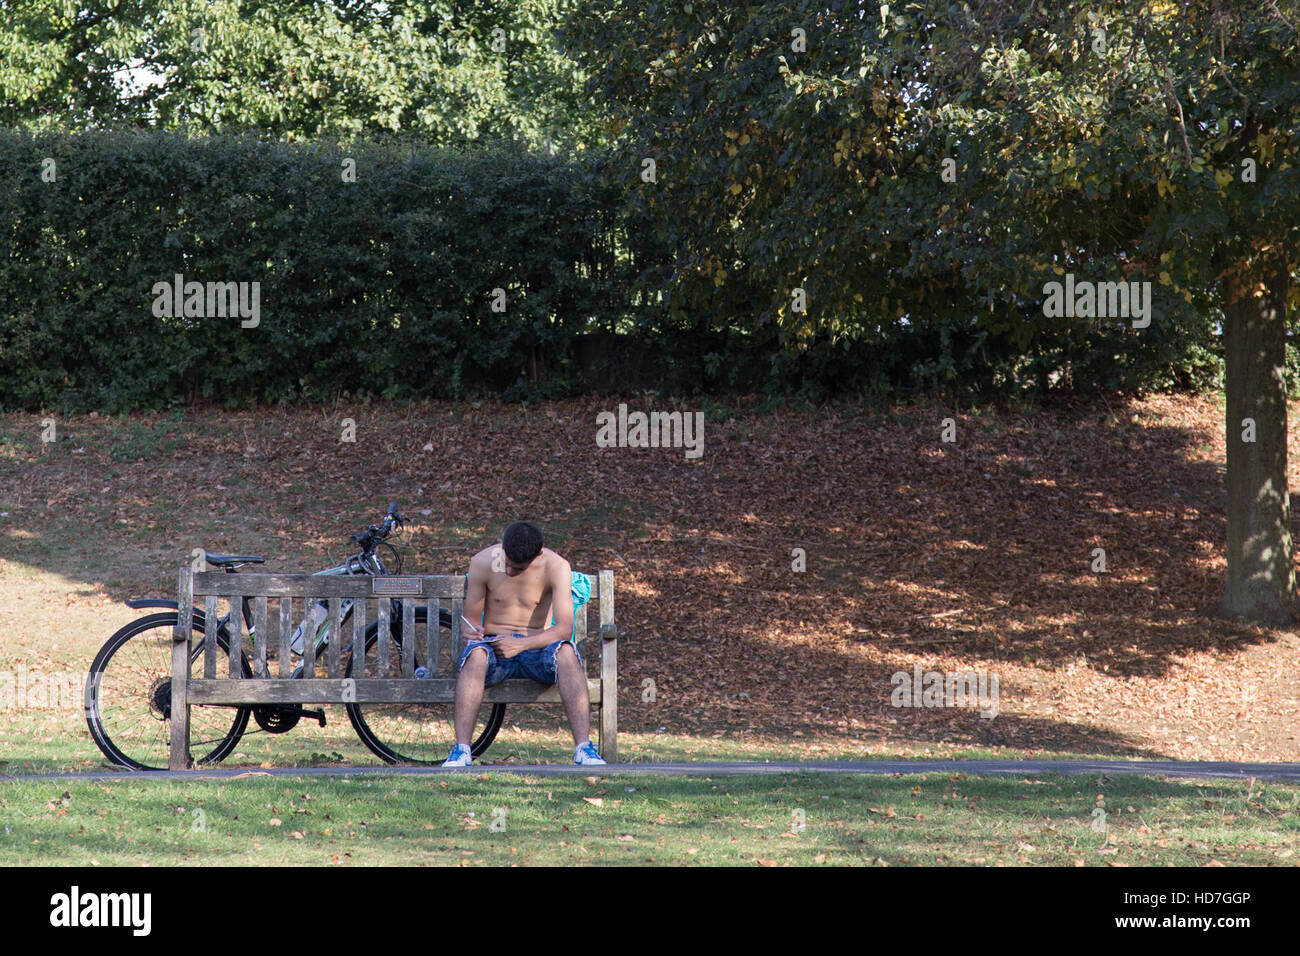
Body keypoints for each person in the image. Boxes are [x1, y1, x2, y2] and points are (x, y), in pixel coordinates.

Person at [442, 521, 605, 767]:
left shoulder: (556, 566)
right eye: (506, 562)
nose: (509, 571)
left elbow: (563, 629)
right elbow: (472, 622)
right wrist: (472, 631)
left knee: (567, 652)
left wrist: (522, 645)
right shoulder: (483, 562)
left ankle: (584, 749)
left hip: (538, 650)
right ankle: (462, 750)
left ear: (537, 555)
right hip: (495, 648)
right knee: (475, 655)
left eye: (517, 569)